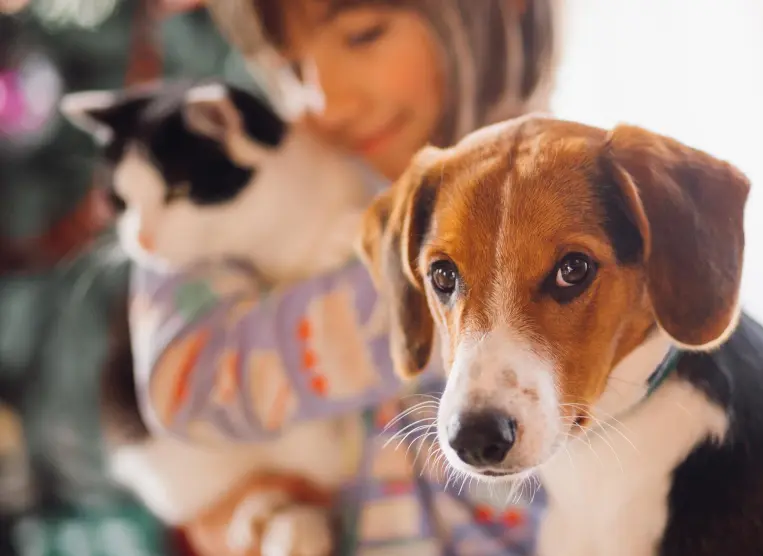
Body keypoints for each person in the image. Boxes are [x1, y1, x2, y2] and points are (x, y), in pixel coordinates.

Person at [127, 0, 560, 553]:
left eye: (363, 36)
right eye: (292, 67)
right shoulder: (240, 181)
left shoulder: (596, 212)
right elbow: (184, 383)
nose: (325, 101)